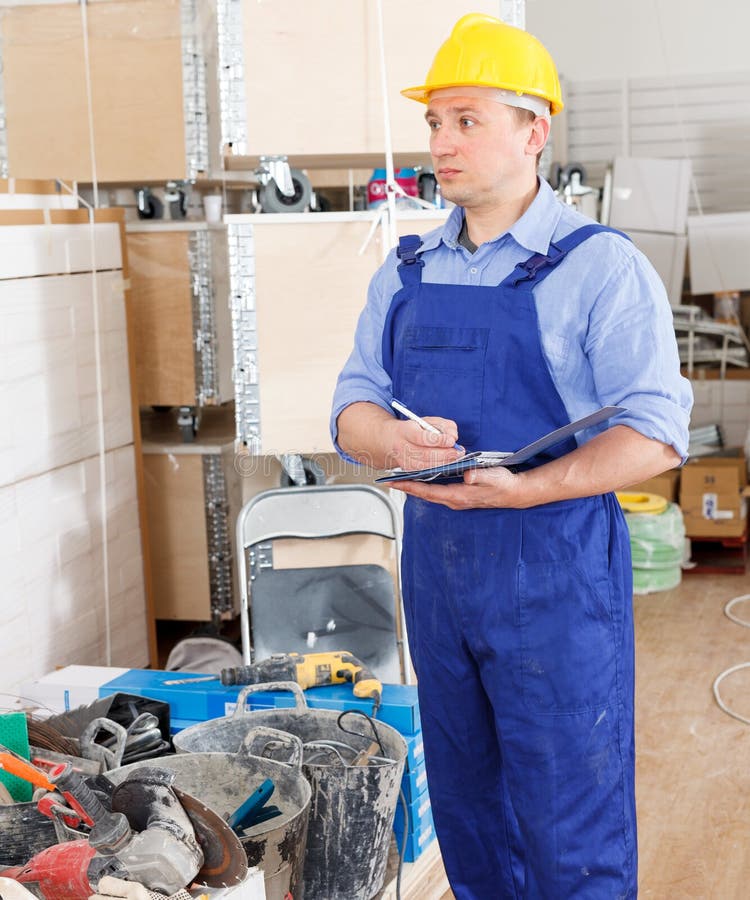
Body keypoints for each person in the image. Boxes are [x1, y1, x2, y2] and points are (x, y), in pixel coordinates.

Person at [331, 13, 692, 899]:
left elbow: (654, 431)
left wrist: (528, 488)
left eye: (466, 120)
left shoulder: (598, 269)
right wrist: (394, 439)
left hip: (554, 577)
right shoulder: (407, 271)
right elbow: (351, 410)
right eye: (434, 123)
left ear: (533, 132)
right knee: (469, 811)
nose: (442, 144)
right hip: (440, 569)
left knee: (569, 817)